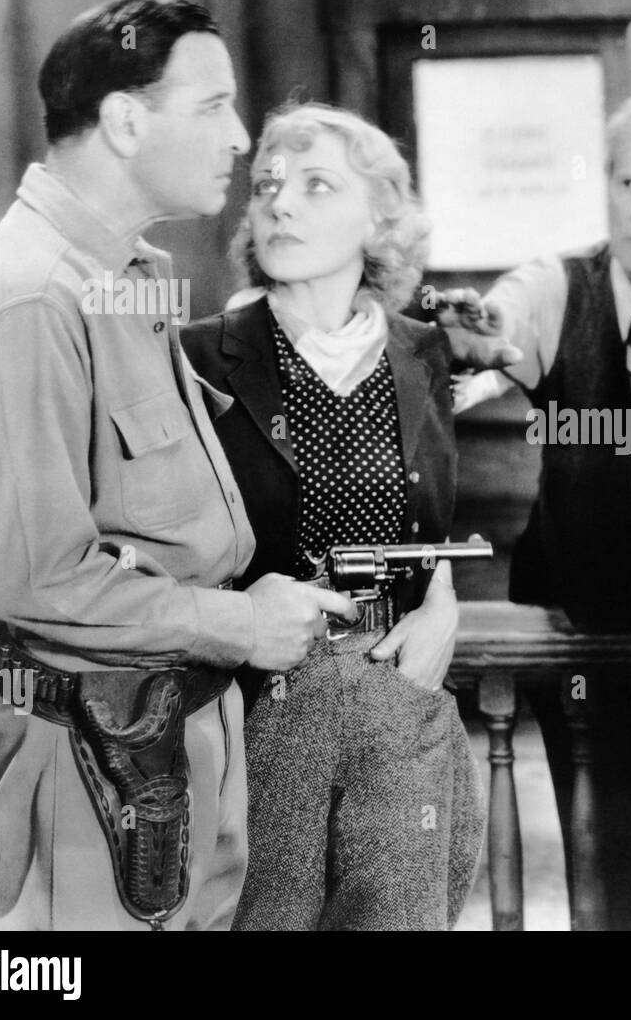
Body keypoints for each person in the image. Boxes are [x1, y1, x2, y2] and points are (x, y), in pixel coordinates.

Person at [0, 0, 356, 931]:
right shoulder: (33, 299)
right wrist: (240, 626)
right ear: (126, 119)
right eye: (212, 107)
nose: (242, 137)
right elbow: (34, 579)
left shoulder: (121, 276)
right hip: (92, 750)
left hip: (166, 734)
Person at [444, 91, 631, 930]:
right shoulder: (559, 286)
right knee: (598, 854)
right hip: (582, 619)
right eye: (627, 185)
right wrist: (484, 333)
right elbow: (507, 320)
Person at [181, 103, 485, 931]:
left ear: (378, 216)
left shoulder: (421, 350)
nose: (281, 203)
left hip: (400, 697)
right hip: (261, 714)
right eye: (269, 184)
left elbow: (430, 516)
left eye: (318, 186)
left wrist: (442, 607)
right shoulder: (201, 353)